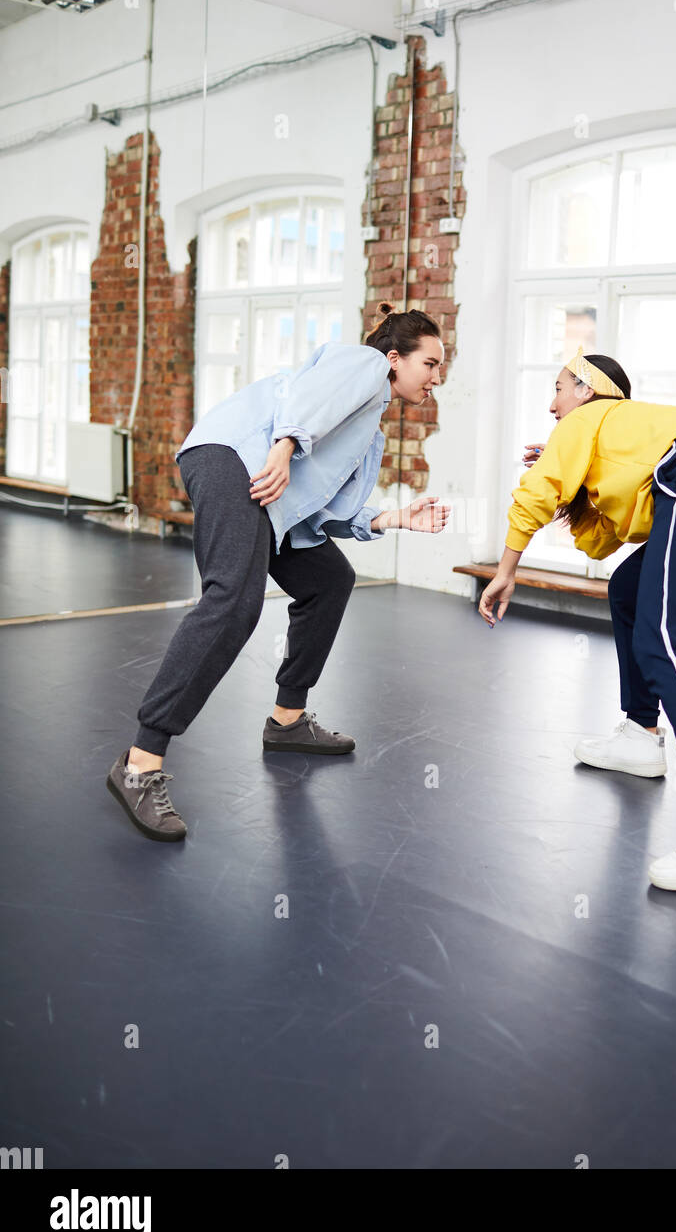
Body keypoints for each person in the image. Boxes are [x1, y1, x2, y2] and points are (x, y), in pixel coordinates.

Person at [106, 303, 450, 842]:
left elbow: (329, 512)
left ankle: (287, 720)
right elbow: (305, 402)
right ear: (394, 358)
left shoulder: (369, 434)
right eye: (430, 363)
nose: (437, 377)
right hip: (236, 458)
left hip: (272, 491)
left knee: (329, 580)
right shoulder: (362, 366)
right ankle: (139, 762)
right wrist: (285, 447)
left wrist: (394, 517)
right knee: (233, 602)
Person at [478, 349, 676, 892]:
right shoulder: (621, 438)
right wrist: (579, 490)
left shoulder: (588, 419)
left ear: (587, 392)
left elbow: (536, 491)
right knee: (631, 590)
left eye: (559, 389)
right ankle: (642, 732)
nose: (552, 405)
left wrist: (506, 569)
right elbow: (609, 538)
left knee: (666, 640)